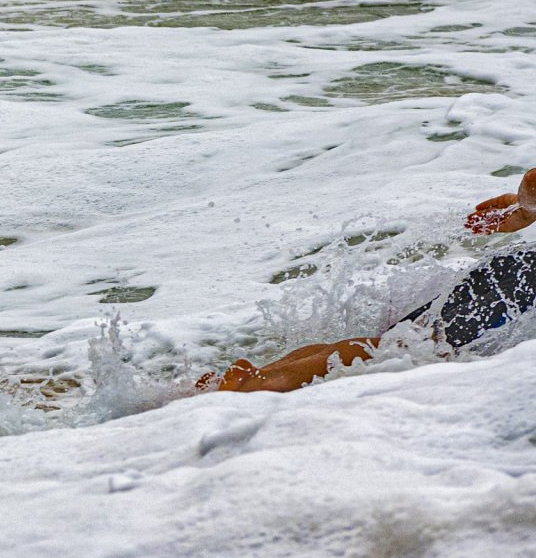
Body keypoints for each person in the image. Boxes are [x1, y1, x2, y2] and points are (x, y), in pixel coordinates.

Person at [208, 167, 536, 392]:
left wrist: (528, 209)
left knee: (403, 345)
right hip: (525, 276)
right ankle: (255, 386)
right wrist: (528, 206)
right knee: (405, 348)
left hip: (516, 270)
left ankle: (251, 379)